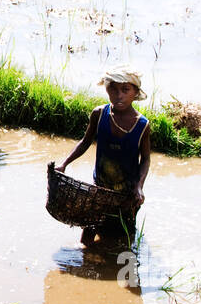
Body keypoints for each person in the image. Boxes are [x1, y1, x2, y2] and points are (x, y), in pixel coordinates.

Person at [56, 67, 152, 246]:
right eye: (113, 89)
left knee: (123, 240)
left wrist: (139, 187)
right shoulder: (99, 114)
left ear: (135, 93)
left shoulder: (142, 125)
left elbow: (145, 159)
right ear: (107, 90)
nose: (119, 95)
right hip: (100, 188)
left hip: (127, 194)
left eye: (125, 90)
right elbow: (85, 142)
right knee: (87, 238)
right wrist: (64, 164)